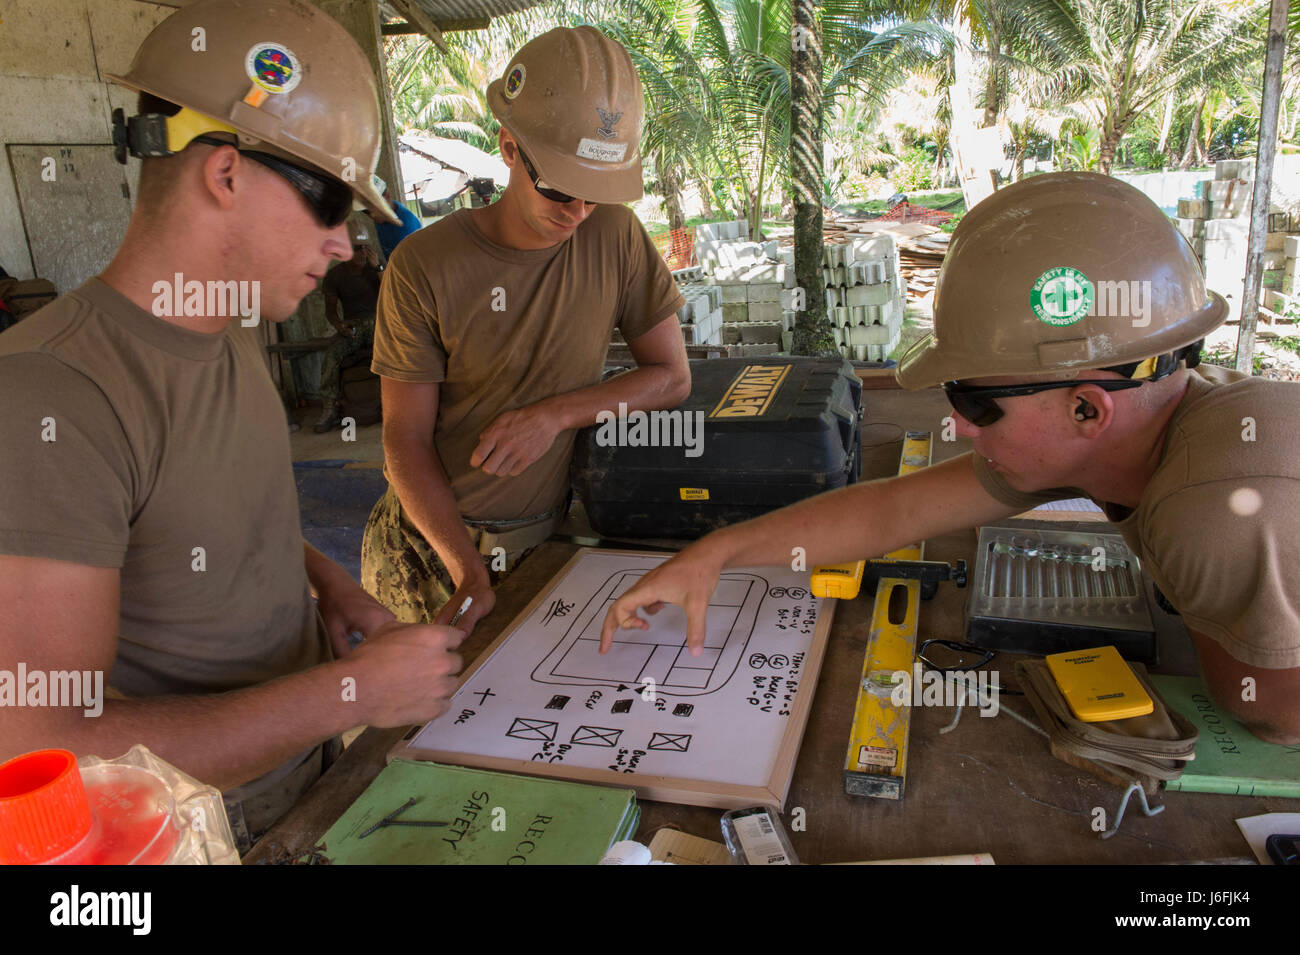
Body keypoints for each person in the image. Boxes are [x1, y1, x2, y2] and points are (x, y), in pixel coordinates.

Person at [601, 171, 1300, 746]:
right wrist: (715, 553)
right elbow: (896, 508)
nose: (959, 427)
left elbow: (1272, 713)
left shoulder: (1215, 505)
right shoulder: (1135, 432)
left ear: (1088, 407)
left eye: (976, 402)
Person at [0, 0, 464, 851]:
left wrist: (330, 586)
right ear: (226, 173)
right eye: (331, 204)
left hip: (306, 769)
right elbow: (42, 742)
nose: (347, 244)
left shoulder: (227, 329)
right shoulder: (52, 393)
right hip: (203, 825)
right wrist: (352, 695)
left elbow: (206, 523)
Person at [361, 26, 691, 635]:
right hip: (431, 553)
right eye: (561, 189)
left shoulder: (614, 236)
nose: (578, 213)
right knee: (420, 727)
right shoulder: (423, 266)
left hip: (551, 541)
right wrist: (466, 569)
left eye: (596, 194)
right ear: (509, 148)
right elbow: (403, 440)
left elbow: (670, 378)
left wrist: (556, 415)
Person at [314, 218, 382, 433]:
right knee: (332, 356)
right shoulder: (335, 276)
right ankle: (330, 407)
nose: (362, 254)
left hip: (379, 324)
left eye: (364, 248)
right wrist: (339, 325)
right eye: (356, 249)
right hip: (353, 326)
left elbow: (394, 296)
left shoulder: (377, 269)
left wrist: (379, 267)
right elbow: (330, 310)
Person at [366, 179, 422, 260]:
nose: (372, 215)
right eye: (366, 211)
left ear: (388, 196)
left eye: (374, 207)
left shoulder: (406, 228)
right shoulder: (384, 215)